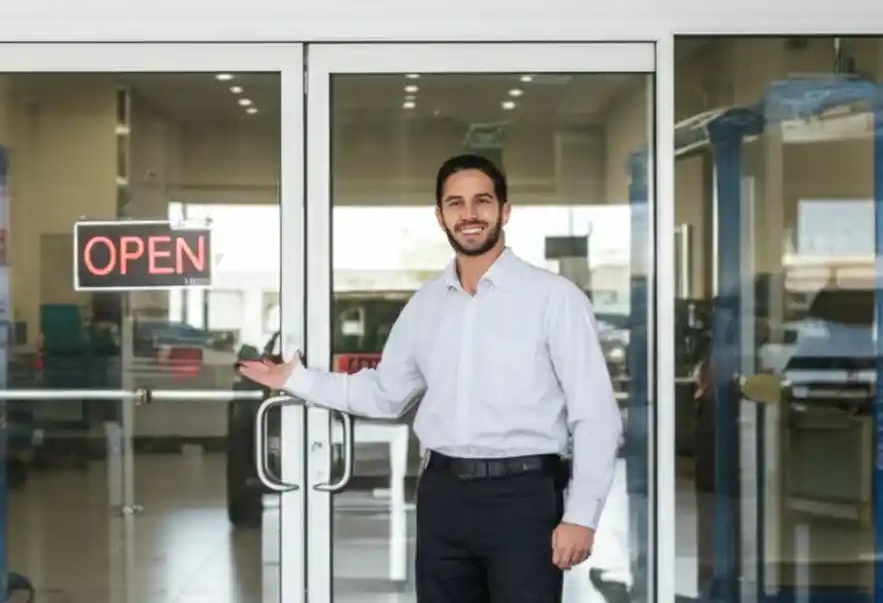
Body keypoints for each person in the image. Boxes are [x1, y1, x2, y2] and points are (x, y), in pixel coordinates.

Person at [238, 153, 623, 602]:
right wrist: (296, 379)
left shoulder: (555, 299)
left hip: (523, 499)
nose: (469, 214)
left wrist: (581, 515)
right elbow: (385, 394)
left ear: (505, 210)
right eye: (456, 203)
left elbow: (595, 415)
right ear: (441, 216)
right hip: (443, 498)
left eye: (482, 201)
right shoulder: (426, 304)